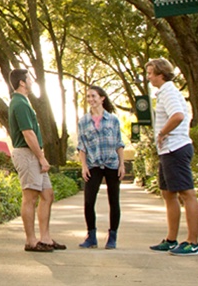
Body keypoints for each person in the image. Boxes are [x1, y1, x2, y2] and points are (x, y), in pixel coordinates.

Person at [146, 58, 198, 256]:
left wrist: (162, 133)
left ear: (161, 74)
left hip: (175, 148)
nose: (148, 77)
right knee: (168, 193)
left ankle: (192, 243)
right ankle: (171, 240)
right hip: (167, 151)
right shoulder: (165, 93)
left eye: (150, 73)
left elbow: (177, 115)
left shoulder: (168, 92)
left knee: (186, 193)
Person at [7, 69, 64, 252]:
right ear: (22, 82)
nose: (32, 81)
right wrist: (41, 157)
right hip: (27, 154)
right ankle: (31, 241)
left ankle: (45, 238)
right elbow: (28, 133)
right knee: (30, 197)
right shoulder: (19, 103)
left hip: (34, 153)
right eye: (29, 78)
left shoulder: (24, 102)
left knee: (47, 195)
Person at [74, 84, 125, 249]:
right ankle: (91, 236)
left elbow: (119, 143)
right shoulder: (83, 121)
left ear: (102, 98)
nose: (91, 99)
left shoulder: (113, 120)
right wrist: (84, 166)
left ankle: (112, 236)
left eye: (93, 96)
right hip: (93, 164)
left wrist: (122, 164)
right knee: (89, 201)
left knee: (114, 201)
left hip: (112, 164)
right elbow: (81, 146)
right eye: (88, 96)